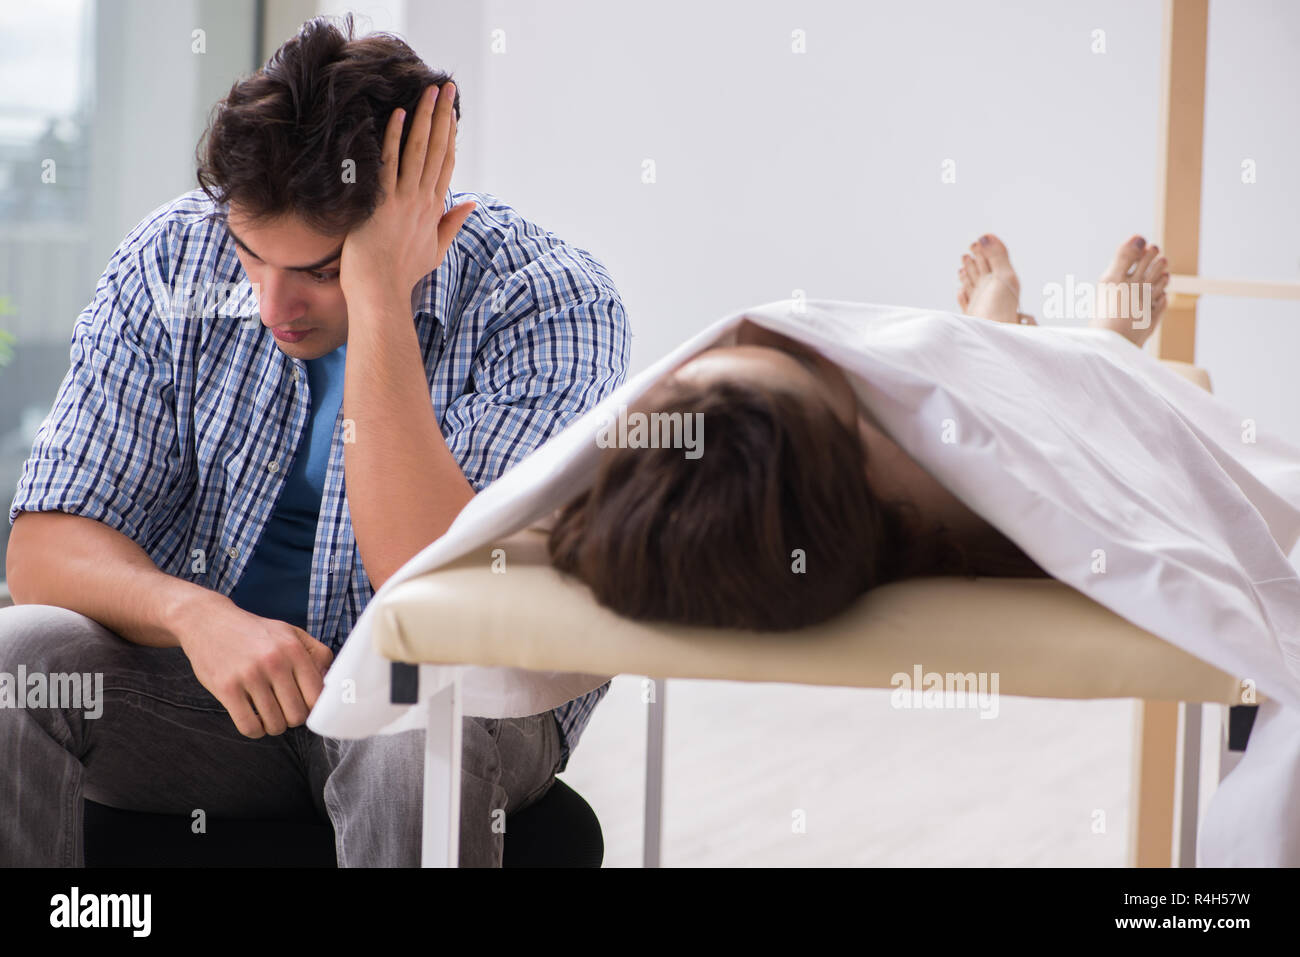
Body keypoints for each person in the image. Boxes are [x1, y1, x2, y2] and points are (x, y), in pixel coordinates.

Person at [1, 15, 628, 867]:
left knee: (409, 725)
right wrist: (196, 615)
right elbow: (41, 555)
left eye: (321, 270)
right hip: (220, 699)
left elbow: (442, 605)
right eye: (253, 255)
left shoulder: (547, 300)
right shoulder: (171, 258)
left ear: (416, 206)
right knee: (16, 664)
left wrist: (378, 301)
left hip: (449, 697)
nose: (272, 305)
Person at [548, 234, 1170, 631]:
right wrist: (1104, 349)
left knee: (969, 385)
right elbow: (1099, 465)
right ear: (857, 452)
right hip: (1021, 436)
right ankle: (1076, 344)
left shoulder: (705, 487)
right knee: (1015, 405)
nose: (769, 329)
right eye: (805, 363)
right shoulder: (964, 491)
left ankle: (991, 336)